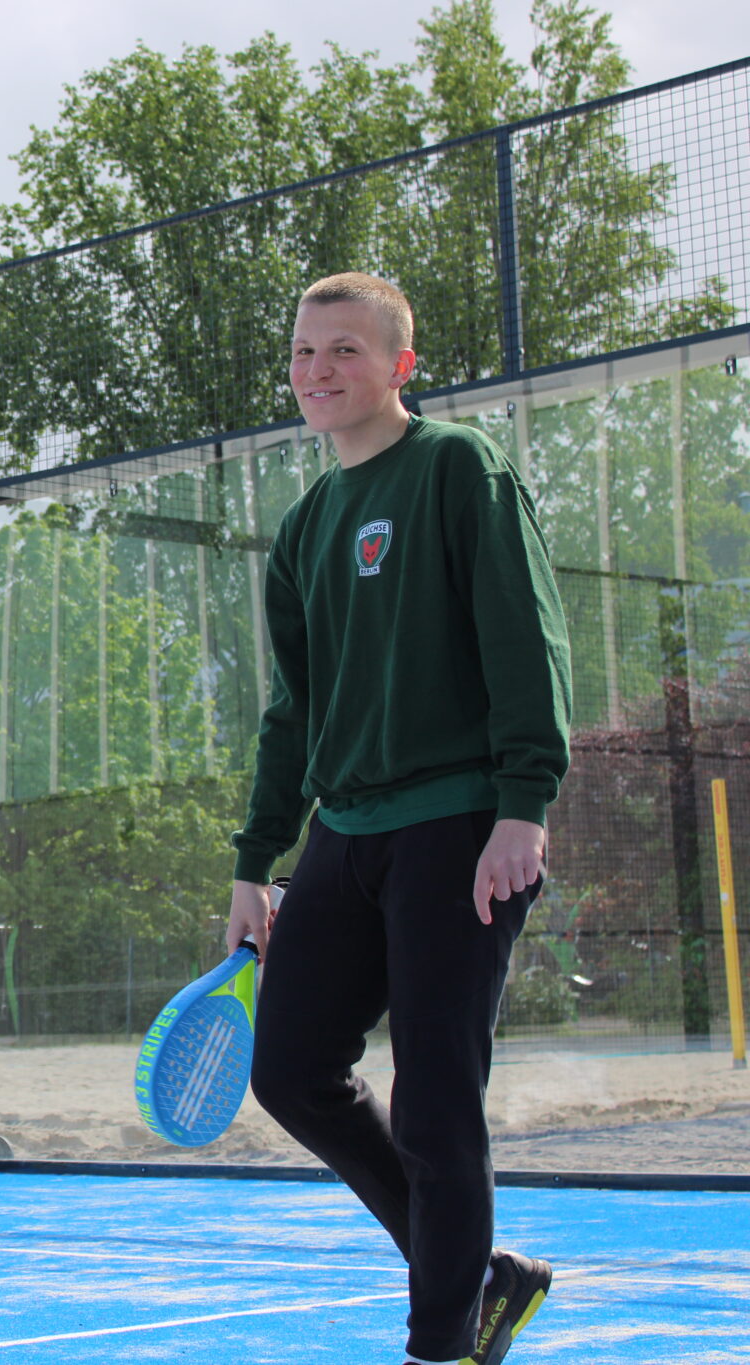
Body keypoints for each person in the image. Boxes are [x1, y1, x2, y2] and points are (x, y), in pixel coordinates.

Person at [227, 273, 569, 1365]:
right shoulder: (302, 529)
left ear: (397, 367)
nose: (318, 371)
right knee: (286, 1070)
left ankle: (440, 1347)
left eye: (343, 350)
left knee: (431, 1106)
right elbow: (292, 711)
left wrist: (521, 805)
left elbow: (525, 637)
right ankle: (474, 1281)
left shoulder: (457, 468)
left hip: (459, 826)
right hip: (342, 834)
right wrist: (253, 862)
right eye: (301, 353)